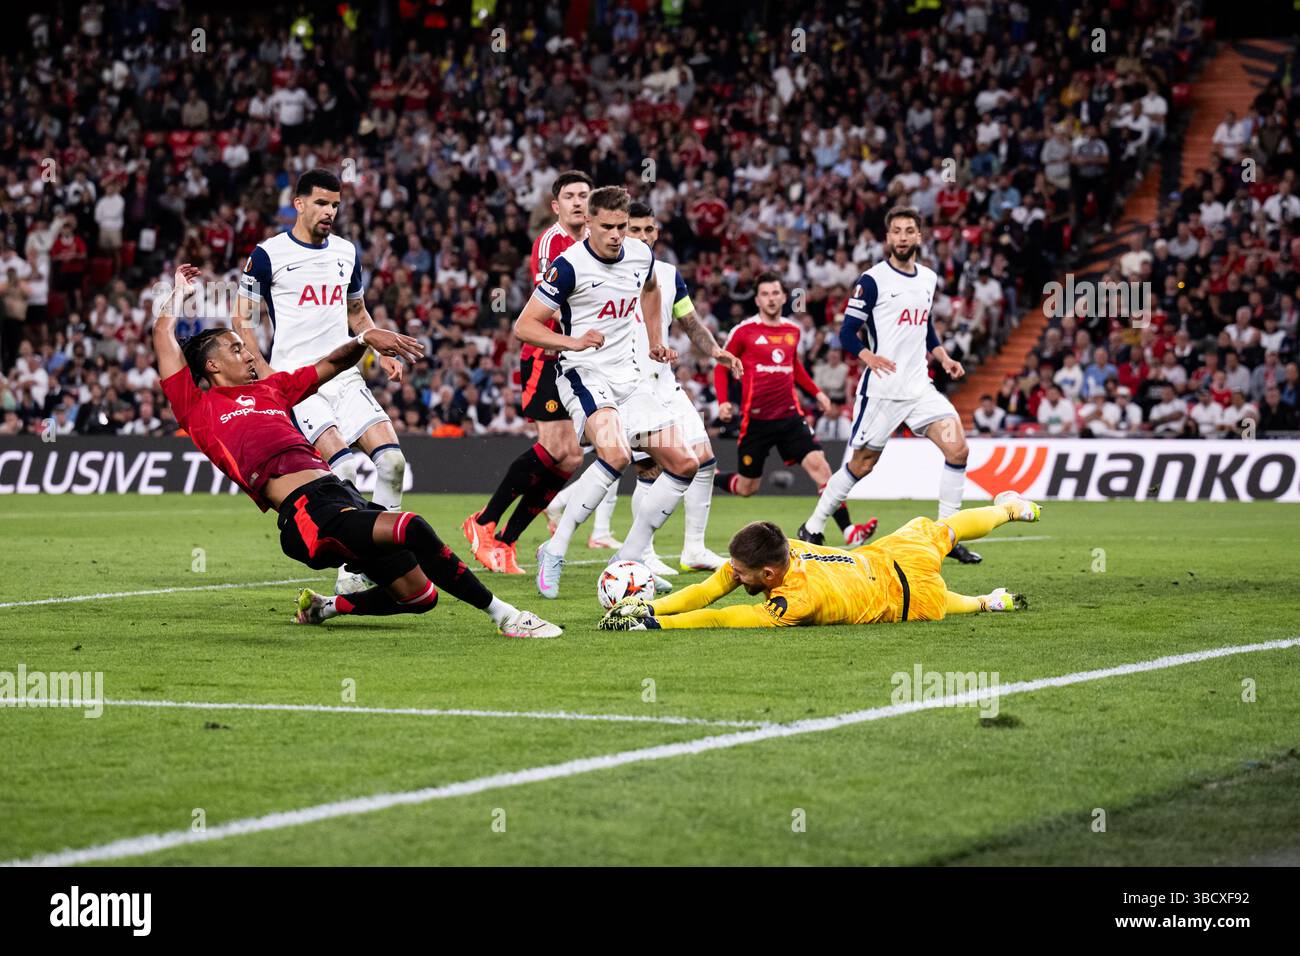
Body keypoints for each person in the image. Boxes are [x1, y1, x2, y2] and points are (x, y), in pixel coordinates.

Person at [154, 262, 560, 638]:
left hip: (340, 495)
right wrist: (177, 295)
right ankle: (506, 616)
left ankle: (325, 608)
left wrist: (365, 337)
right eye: (235, 348)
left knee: (420, 596)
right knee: (411, 527)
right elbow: (162, 335)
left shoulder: (271, 389)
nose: (247, 351)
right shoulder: (198, 409)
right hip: (305, 513)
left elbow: (330, 363)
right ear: (211, 366)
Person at [517, 186, 700, 599]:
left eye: (622, 227)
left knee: (684, 462)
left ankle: (628, 559)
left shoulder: (639, 254)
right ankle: (555, 548)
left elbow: (651, 289)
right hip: (583, 374)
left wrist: (655, 338)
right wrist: (573, 342)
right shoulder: (568, 267)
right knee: (615, 454)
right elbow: (524, 326)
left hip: (630, 377)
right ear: (589, 224)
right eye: (608, 227)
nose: (617, 235)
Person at [234, 168, 406, 595]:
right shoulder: (267, 254)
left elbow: (357, 314)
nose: (330, 211)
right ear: (299, 204)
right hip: (300, 382)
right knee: (345, 469)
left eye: (335, 205)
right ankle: (360, 562)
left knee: (394, 464)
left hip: (346, 378)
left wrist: (382, 348)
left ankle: (372, 558)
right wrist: (265, 371)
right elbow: (242, 318)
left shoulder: (347, 252)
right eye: (322, 203)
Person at [551, 200, 742, 574]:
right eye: (631, 229)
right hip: (623, 379)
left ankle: (693, 548)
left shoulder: (666, 273)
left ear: (656, 232)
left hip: (663, 382)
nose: (636, 236)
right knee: (644, 468)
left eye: (645, 230)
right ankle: (640, 554)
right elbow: (558, 310)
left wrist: (715, 351)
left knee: (701, 461)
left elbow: (689, 322)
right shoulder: (592, 265)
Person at [800, 206, 980, 563]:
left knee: (958, 450)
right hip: (881, 390)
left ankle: (946, 535)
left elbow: (925, 326)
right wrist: (868, 357)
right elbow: (847, 332)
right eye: (895, 231)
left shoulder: (928, 278)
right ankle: (814, 525)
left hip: (919, 389)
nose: (902, 237)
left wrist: (942, 357)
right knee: (862, 465)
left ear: (918, 237)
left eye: (908, 230)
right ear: (888, 238)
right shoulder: (872, 280)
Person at [598, 492, 1040, 631]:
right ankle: (1009, 510)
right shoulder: (779, 545)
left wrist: (659, 625)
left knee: (941, 598)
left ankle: (985, 602)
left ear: (769, 574)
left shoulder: (797, 601)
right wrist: (650, 608)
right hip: (889, 555)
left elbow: (722, 617)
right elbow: (707, 591)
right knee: (946, 529)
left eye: (743, 574)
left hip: (903, 596)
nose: (734, 576)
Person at [463, 171, 595, 574]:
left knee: (571, 457)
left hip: (578, 358)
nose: (578, 202)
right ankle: (484, 523)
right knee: (558, 448)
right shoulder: (551, 243)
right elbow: (548, 305)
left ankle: (505, 538)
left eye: (584, 196)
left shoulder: (595, 245)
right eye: (569, 196)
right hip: (547, 353)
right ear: (556, 206)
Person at [710, 272, 876, 546]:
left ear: (784, 297)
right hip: (756, 422)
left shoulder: (792, 330)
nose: (771, 298)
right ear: (757, 299)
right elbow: (721, 366)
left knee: (822, 469)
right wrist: (723, 401)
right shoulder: (743, 331)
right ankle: (711, 477)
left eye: (776, 293)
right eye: (765, 294)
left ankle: (849, 532)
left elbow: (795, 368)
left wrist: (818, 393)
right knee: (747, 487)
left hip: (790, 418)